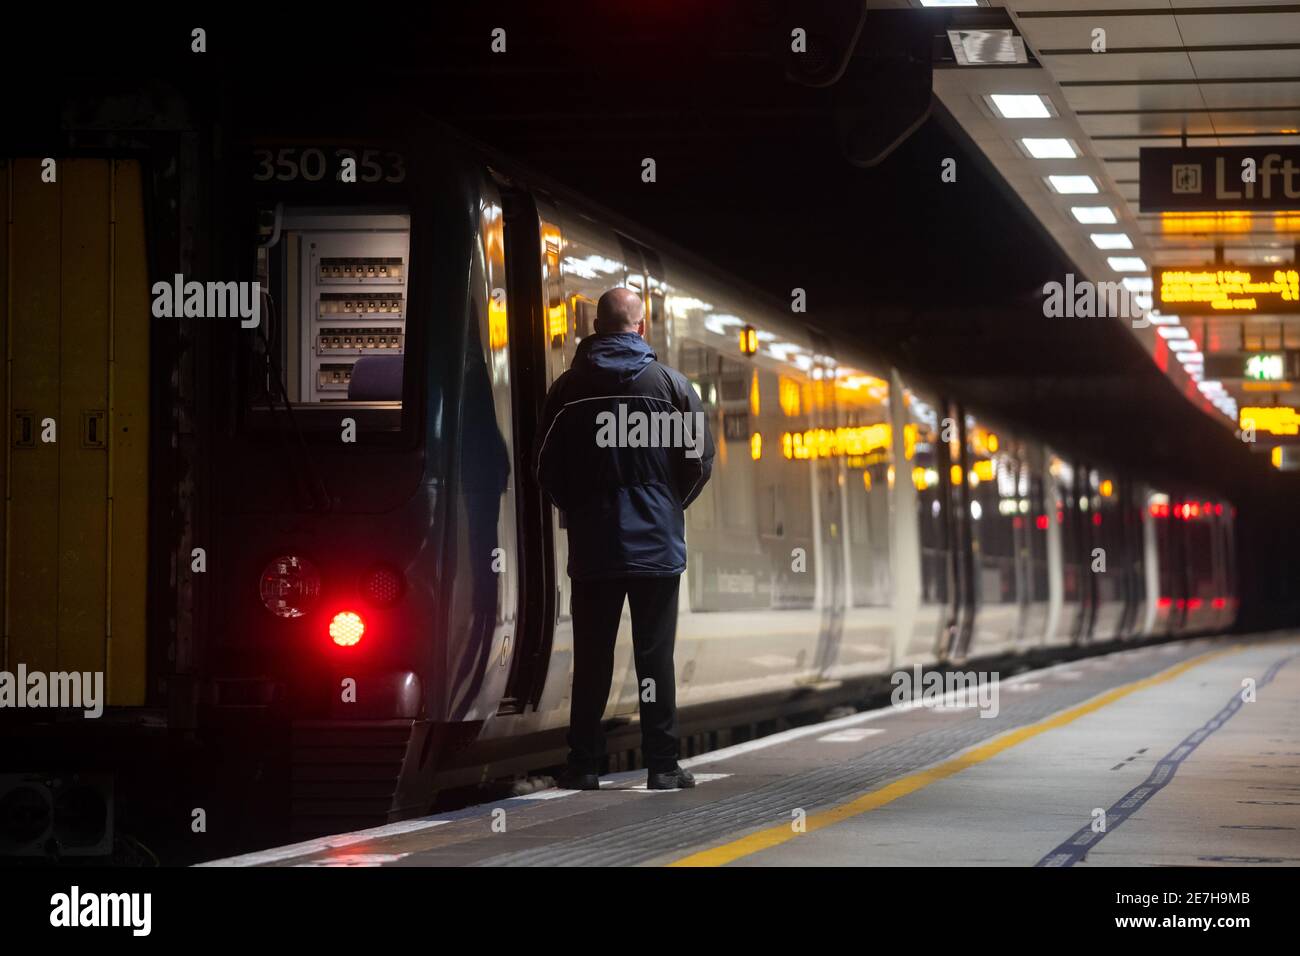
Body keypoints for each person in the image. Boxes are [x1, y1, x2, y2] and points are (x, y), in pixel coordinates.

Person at [534, 287, 714, 790]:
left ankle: (584, 764)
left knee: (592, 655)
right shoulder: (672, 386)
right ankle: (662, 766)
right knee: (654, 657)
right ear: (642, 326)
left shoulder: (568, 391)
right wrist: (668, 506)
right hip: (657, 545)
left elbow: (544, 466)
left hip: (595, 545)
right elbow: (700, 461)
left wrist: (578, 509)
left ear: (595, 328)